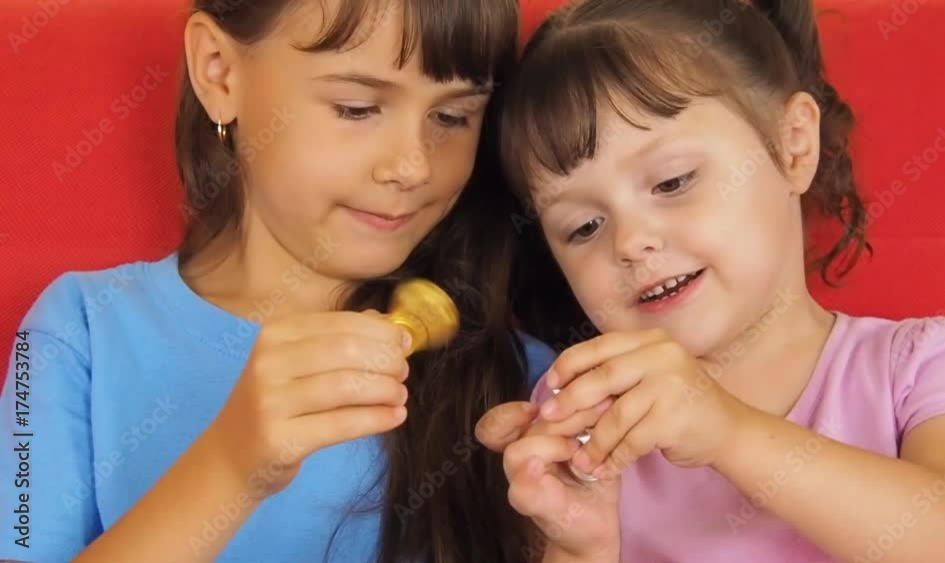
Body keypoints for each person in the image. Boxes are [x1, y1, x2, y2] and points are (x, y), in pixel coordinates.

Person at [0, 1, 557, 562]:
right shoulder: (77, 332)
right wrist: (229, 467)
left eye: (453, 117)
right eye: (357, 108)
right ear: (218, 70)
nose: (413, 167)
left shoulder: (529, 386)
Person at [477, 1, 945, 562]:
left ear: (793, 144)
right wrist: (579, 548)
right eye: (583, 227)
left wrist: (728, 434)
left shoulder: (916, 367)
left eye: (673, 181)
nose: (630, 243)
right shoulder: (587, 417)